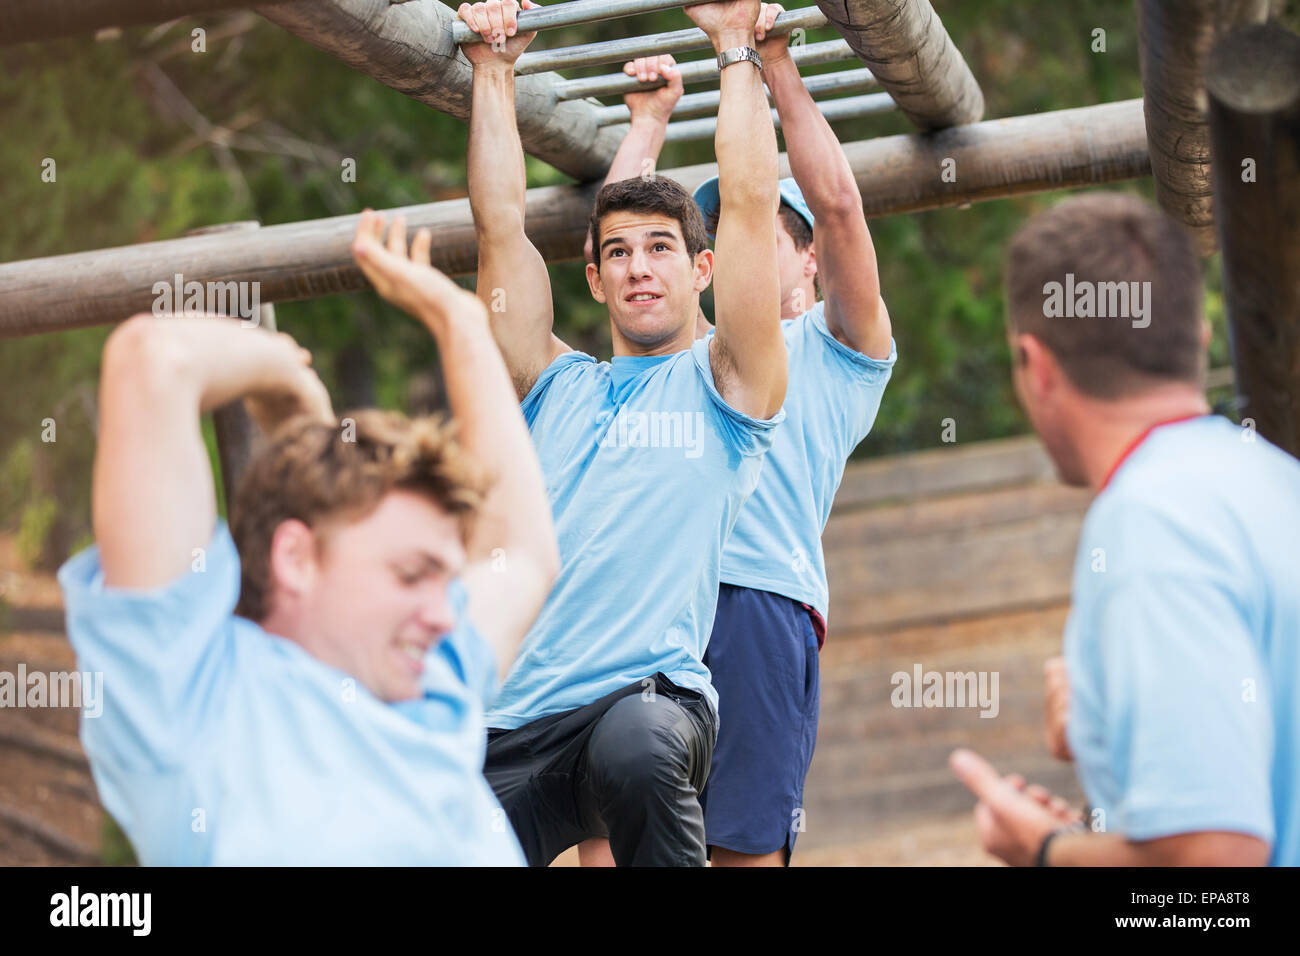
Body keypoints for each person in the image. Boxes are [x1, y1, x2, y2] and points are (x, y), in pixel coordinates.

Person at [58, 211, 558, 864]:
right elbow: (151, 361)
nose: (444, 613)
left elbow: (521, 553)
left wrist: (459, 323)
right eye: (411, 575)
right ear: (295, 558)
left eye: (443, 576)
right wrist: (286, 373)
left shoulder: (431, 684)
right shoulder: (193, 698)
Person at [456, 0, 787, 866]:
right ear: (596, 280)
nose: (639, 265)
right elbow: (499, 227)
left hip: (647, 703)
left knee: (635, 753)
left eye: (660, 248)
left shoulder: (726, 386)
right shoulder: (554, 381)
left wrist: (736, 45)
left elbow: (750, 205)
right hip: (513, 719)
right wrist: (494, 69)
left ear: (699, 268)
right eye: (619, 253)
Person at [578, 4, 896, 867]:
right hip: (648, 598)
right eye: (725, 236)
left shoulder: (836, 352)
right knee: (605, 846)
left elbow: (837, 204)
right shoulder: (689, 359)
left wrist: (775, 62)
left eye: (774, 235)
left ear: (808, 263)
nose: (749, 244)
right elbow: (619, 245)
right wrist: (645, 127)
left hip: (755, 603)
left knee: (740, 852)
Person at [949, 192, 1300, 866]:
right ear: (1196, 338)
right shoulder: (1277, 483)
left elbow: (1212, 875)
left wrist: (1045, 849)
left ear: (1039, 367)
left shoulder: (1150, 527)